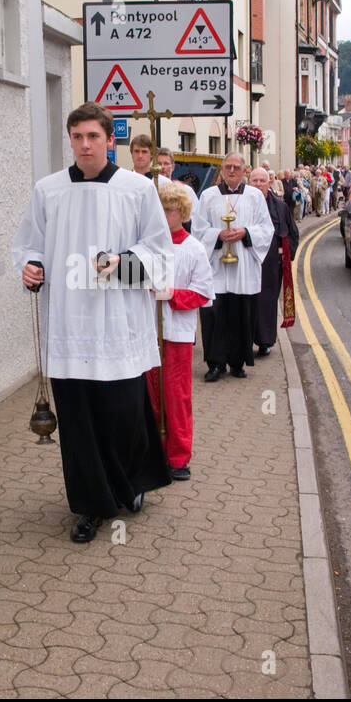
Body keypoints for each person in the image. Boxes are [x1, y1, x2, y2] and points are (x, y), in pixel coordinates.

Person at [12, 102, 174, 543]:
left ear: (110, 140)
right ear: (70, 140)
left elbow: (160, 252)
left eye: (93, 137)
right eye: (77, 137)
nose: (85, 145)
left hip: (117, 322)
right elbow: (29, 244)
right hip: (67, 323)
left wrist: (121, 263)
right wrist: (30, 267)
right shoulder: (48, 190)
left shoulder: (136, 190)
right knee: (79, 421)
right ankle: (89, 505)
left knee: (121, 414)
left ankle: (130, 484)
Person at [145, 184, 214, 481]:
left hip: (178, 334)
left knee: (177, 396)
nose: (165, 214)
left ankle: (178, 456)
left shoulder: (194, 248)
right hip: (149, 332)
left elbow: (203, 293)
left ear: (182, 213)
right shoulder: (147, 246)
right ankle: (153, 453)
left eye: (170, 209)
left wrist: (171, 294)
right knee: (150, 395)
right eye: (161, 209)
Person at [192, 152, 274, 381]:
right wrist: (218, 235)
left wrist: (245, 232)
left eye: (236, 167)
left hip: (244, 268)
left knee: (241, 316)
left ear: (244, 170)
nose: (231, 171)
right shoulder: (208, 196)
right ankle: (215, 364)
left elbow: (266, 229)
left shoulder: (255, 196)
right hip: (216, 267)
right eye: (227, 167)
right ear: (221, 170)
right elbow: (197, 231)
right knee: (214, 317)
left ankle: (237, 362)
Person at [250, 167, 299, 357]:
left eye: (262, 181)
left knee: (267, 302)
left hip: (271, 265)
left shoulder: (280, 206)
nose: (258, 184)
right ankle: (246, 341)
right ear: (249, 182)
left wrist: (285, 253)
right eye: (255, 181)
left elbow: (292, 234)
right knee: (247, 302)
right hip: (249, 261)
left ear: (269, 183)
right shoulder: (241, 204)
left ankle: (265, 341)